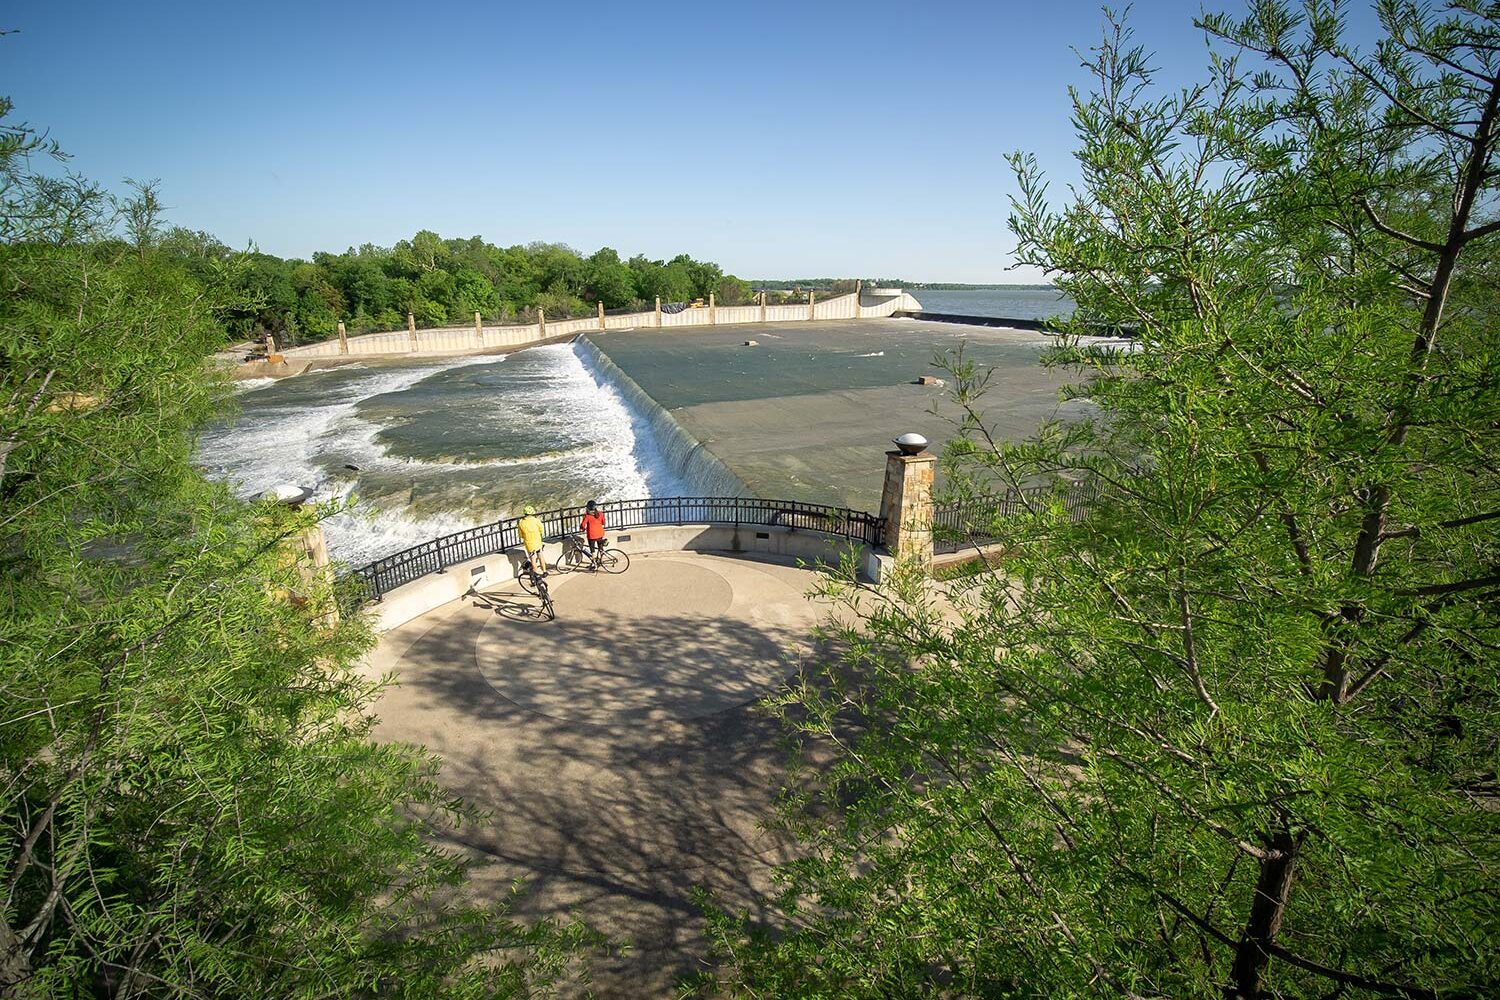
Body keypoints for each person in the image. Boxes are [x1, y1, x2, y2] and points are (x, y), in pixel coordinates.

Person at [517, 504, 546, 578]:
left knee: (533, 559)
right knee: (540, 556)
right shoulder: (536, 520)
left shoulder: (521, 523)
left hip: (529, 543)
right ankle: (544, 571)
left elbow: (520, 535)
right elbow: (541, 529)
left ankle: (536, 575)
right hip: (538, 542)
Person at [580, 500, 607, 567]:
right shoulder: (600, 514)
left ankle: (594, 564)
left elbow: (583, 525)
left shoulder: (587, 516)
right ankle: (602, 561)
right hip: (600, 533)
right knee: (600, 547)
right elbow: (604, 523)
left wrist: (582, 529)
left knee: (592, 550)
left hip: (591, 535)